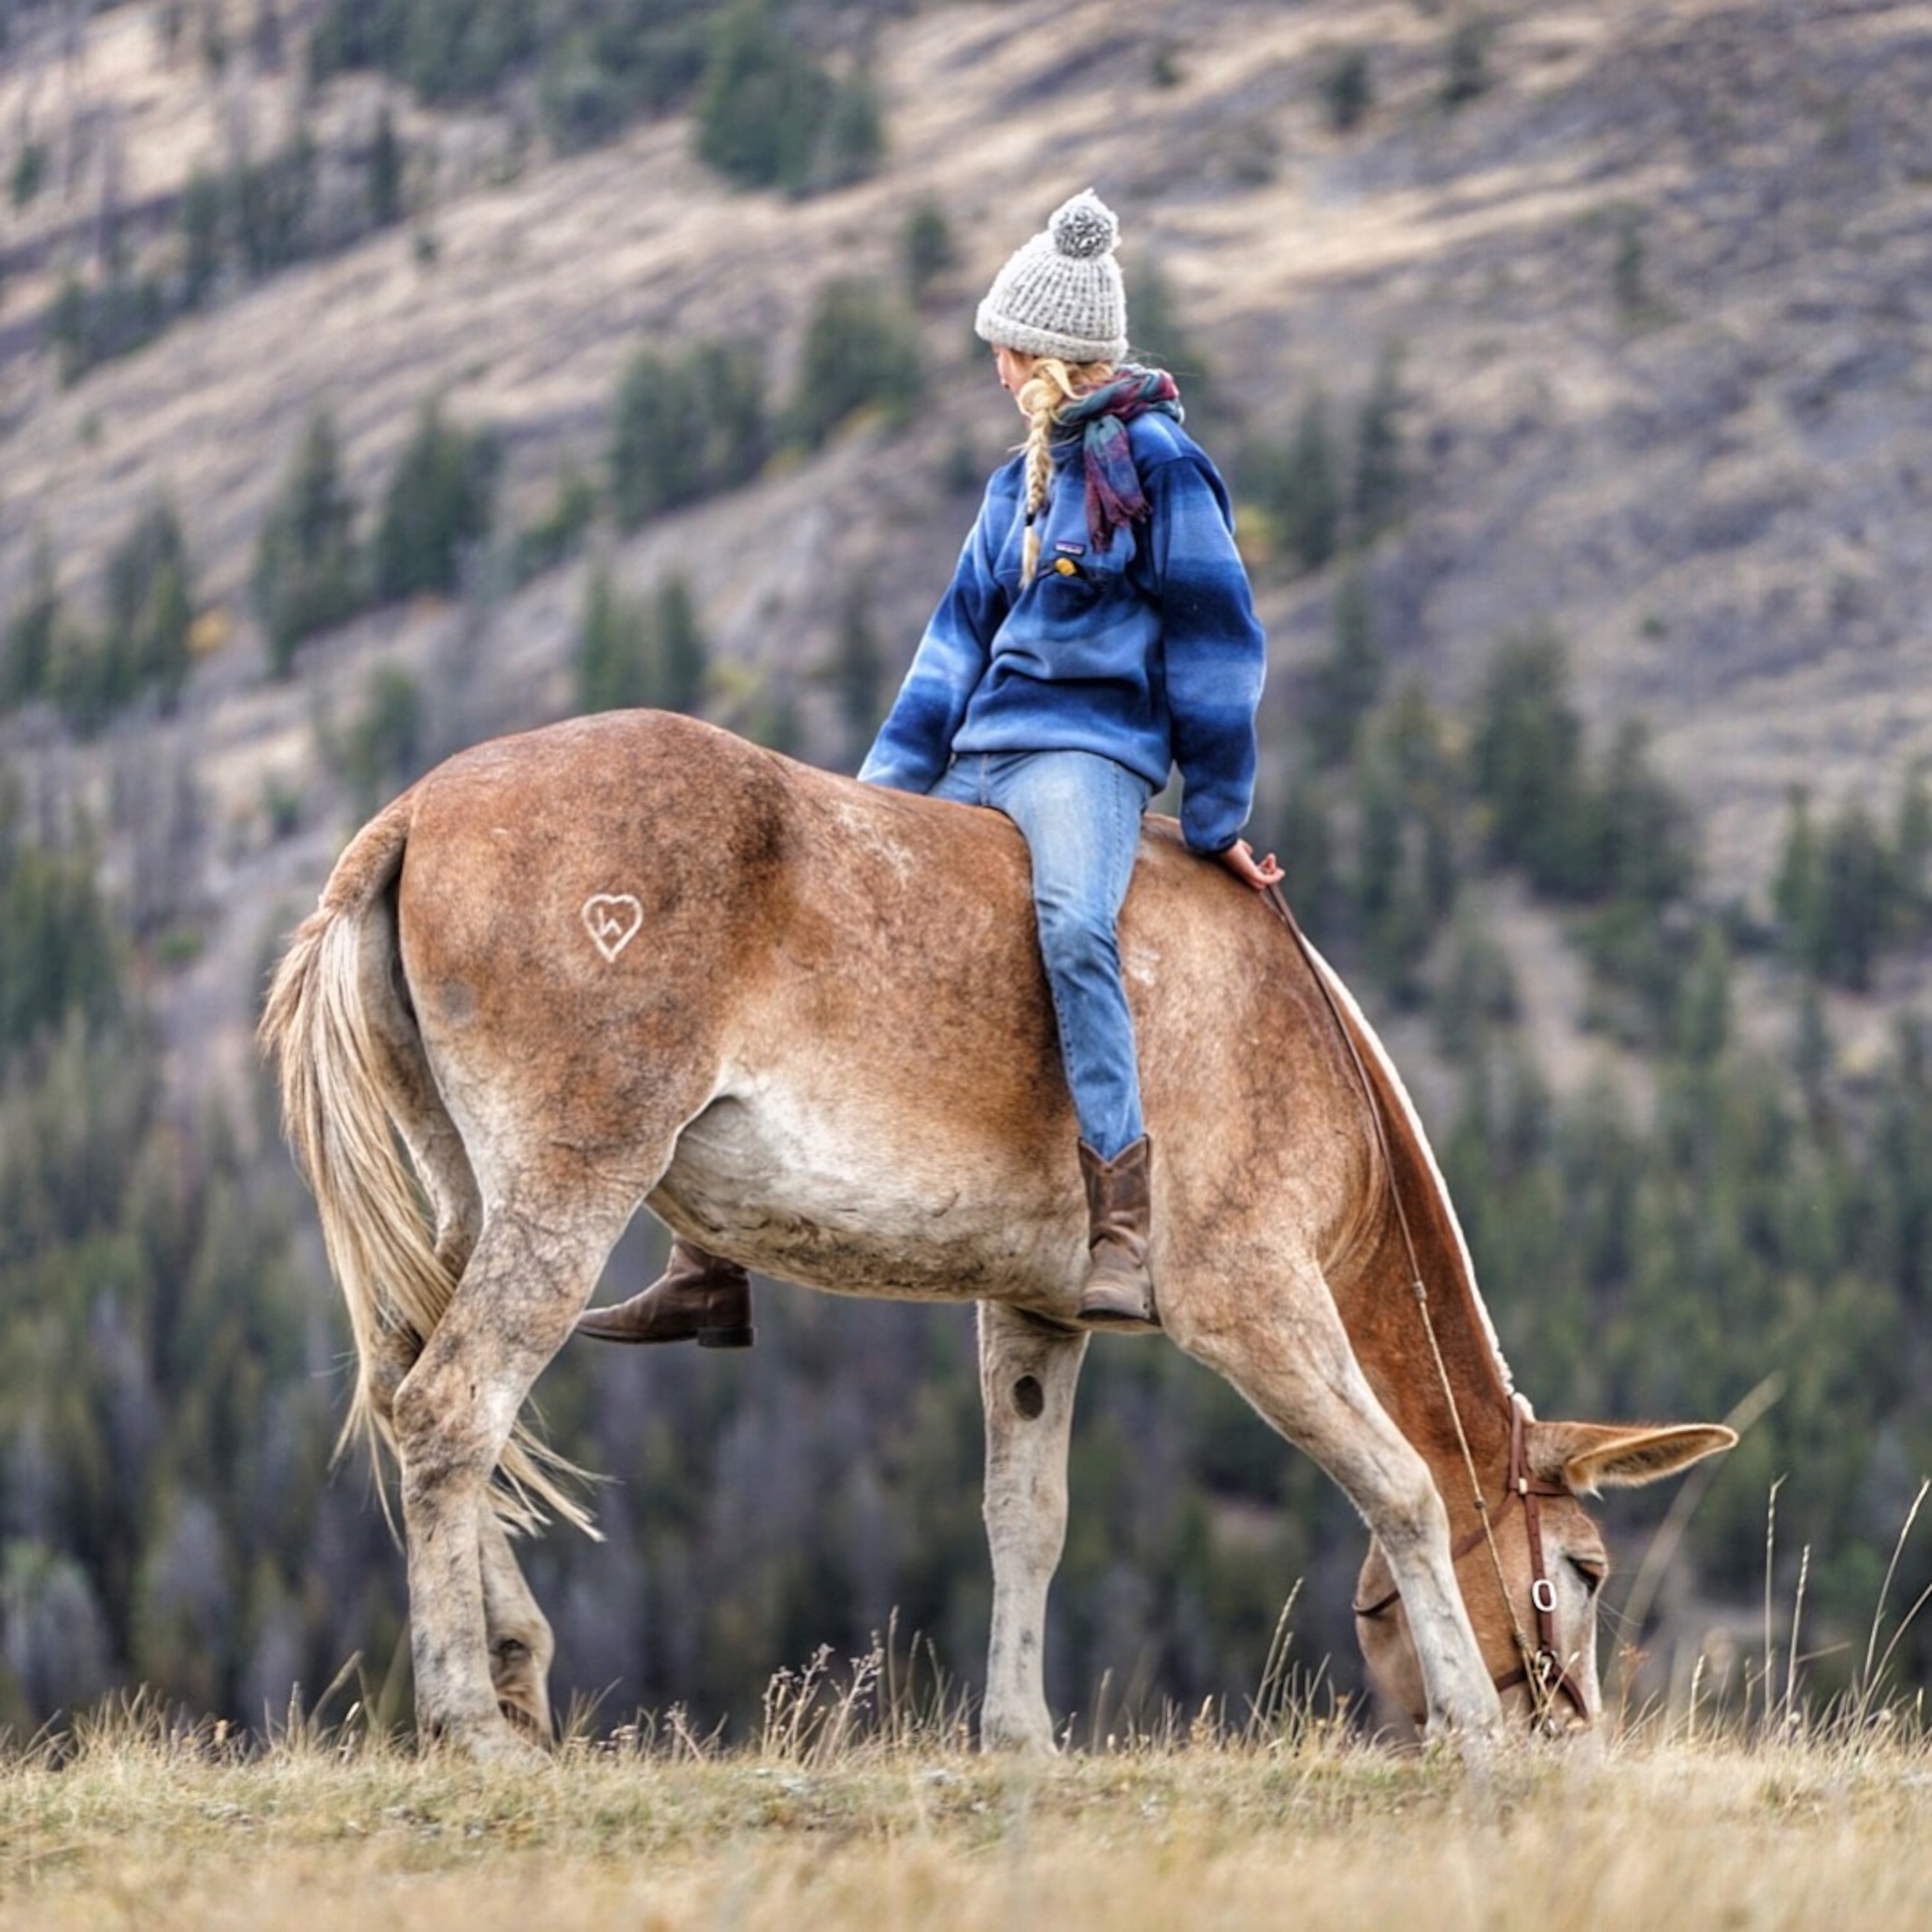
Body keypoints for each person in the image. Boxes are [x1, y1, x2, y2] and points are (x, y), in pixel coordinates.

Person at [578, 187, 1278, 1350]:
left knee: (1074, 928)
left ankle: (1120, 1217)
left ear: (1051, 351)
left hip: (1086, 758)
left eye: (1008, 348)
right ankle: (710, 1260)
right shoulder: (1019, 484)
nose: (998, 367)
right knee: (817, 918)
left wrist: (1216, 821)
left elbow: (1220, 641)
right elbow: (949, 648)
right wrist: (864, 806)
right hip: (981, 751)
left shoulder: (1164, 467)